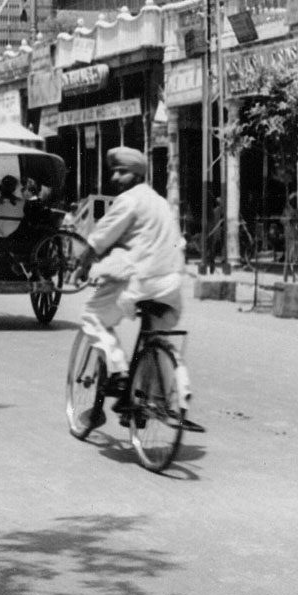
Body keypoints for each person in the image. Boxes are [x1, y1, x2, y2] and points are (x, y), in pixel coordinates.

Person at [75, 146, 201, 430]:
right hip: (170, 285)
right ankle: (151, 399)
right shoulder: (160, 203)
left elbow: (98, 240)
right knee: (158, 339)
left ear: (138, 174)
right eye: (115, 172)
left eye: (123, 172)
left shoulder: (129, 201)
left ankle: (119, 371)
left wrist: (83, 265)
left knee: (92, 317)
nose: (117, 178)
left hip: (141, 280)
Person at [281, 192, 298, 277]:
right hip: (289, 234)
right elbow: (282, 220)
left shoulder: (297, 209)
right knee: (288, 254)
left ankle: (293, 273)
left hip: (296, 234)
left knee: (295, 254)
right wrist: (289, 219)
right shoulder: (287, 209)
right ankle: (285, 274)